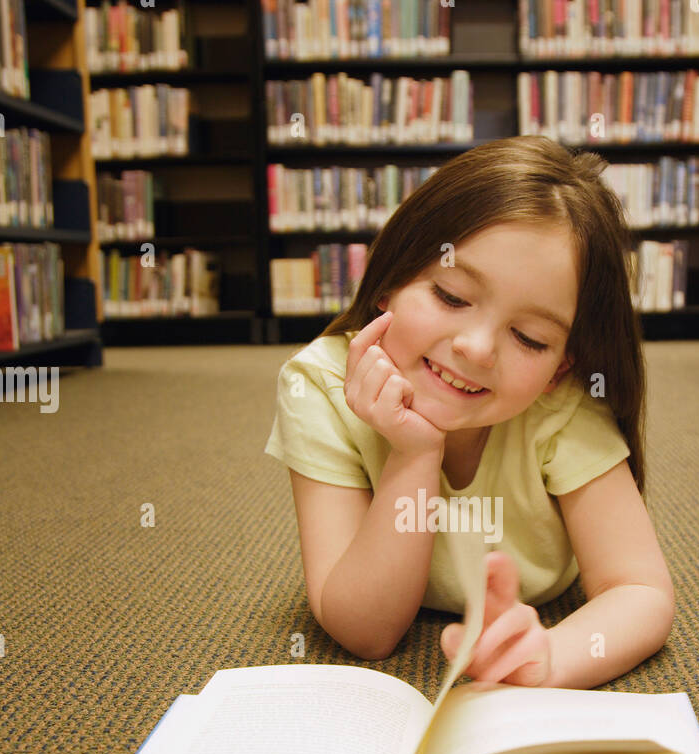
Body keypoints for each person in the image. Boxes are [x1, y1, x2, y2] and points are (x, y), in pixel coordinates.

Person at [265, 135, 674, 689]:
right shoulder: (319, 385)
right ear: (387, 280)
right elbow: (366, 631)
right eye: (452, 297)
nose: (477, 348)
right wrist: (414, 453)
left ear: (560, 367)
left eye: (529, 338)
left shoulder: (562, 404)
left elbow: (641, 591)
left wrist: (550, 660)